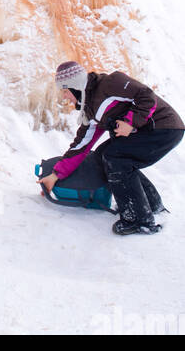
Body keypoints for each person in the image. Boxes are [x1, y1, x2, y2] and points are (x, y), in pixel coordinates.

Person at [38, 61, 184, 235]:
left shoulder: (111, 83)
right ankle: (152, 205)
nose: (65, 97)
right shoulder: (90, 110)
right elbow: (81, 145)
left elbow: (146, 96)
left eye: (65, 91)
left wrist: (131, 122)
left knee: (114, 158)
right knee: (102, 155)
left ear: (76, 87)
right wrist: (55, 175)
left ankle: (139, 220)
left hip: (163, 127)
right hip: (147, 131)